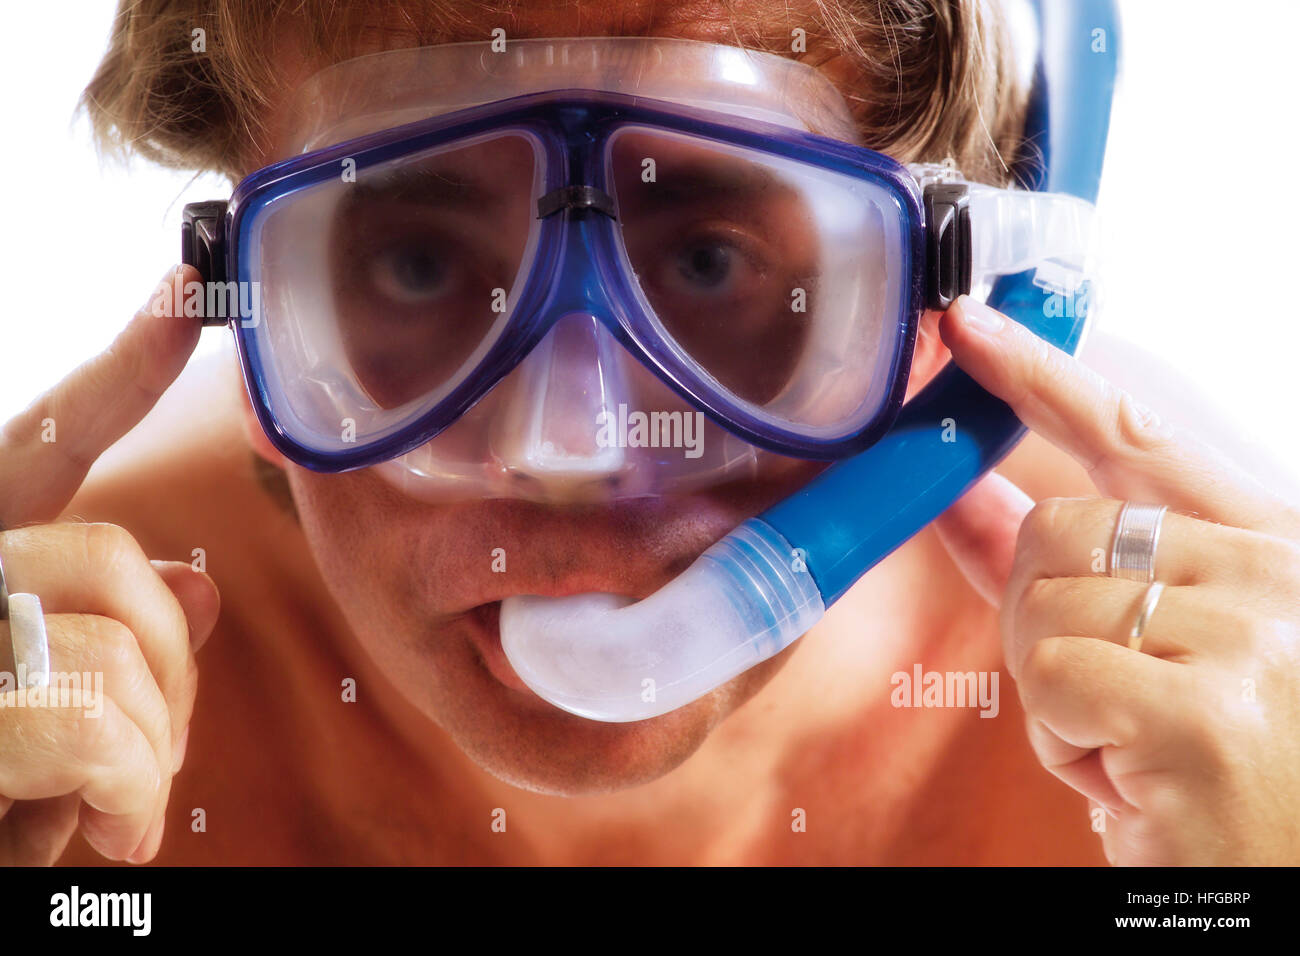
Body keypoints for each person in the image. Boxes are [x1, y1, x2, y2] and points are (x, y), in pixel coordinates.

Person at [1, 0, 1297, 866]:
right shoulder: (63, 735)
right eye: (411, 265)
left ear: (941, 320)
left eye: (712, 261)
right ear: (241, 315)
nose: (569, 441)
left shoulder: (1205, 739)